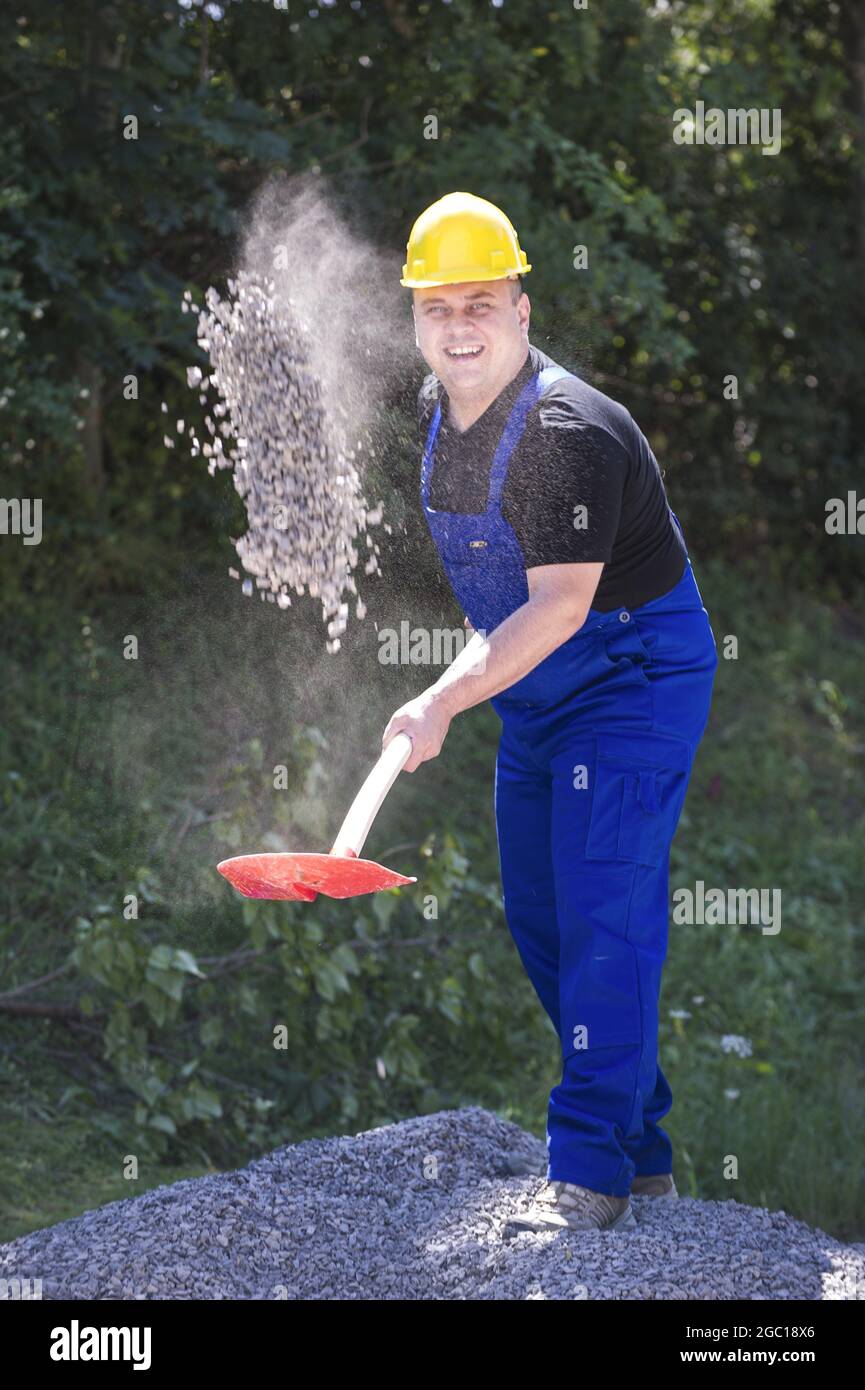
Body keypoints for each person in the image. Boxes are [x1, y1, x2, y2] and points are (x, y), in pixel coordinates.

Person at [382, 191, 719, 1234]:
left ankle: (588, 1175)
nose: (458, 325)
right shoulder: (439, 425)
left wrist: (440, 698)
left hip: (632, 677)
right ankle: (644, 1149)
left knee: (602, 913)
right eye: (437, 307)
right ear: (415, 322)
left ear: (521, 308)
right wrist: (465, 691)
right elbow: (508, 604)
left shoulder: (566, 431)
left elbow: (561, 603)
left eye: (480, 301)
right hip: (537, 694)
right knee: (543, 922)